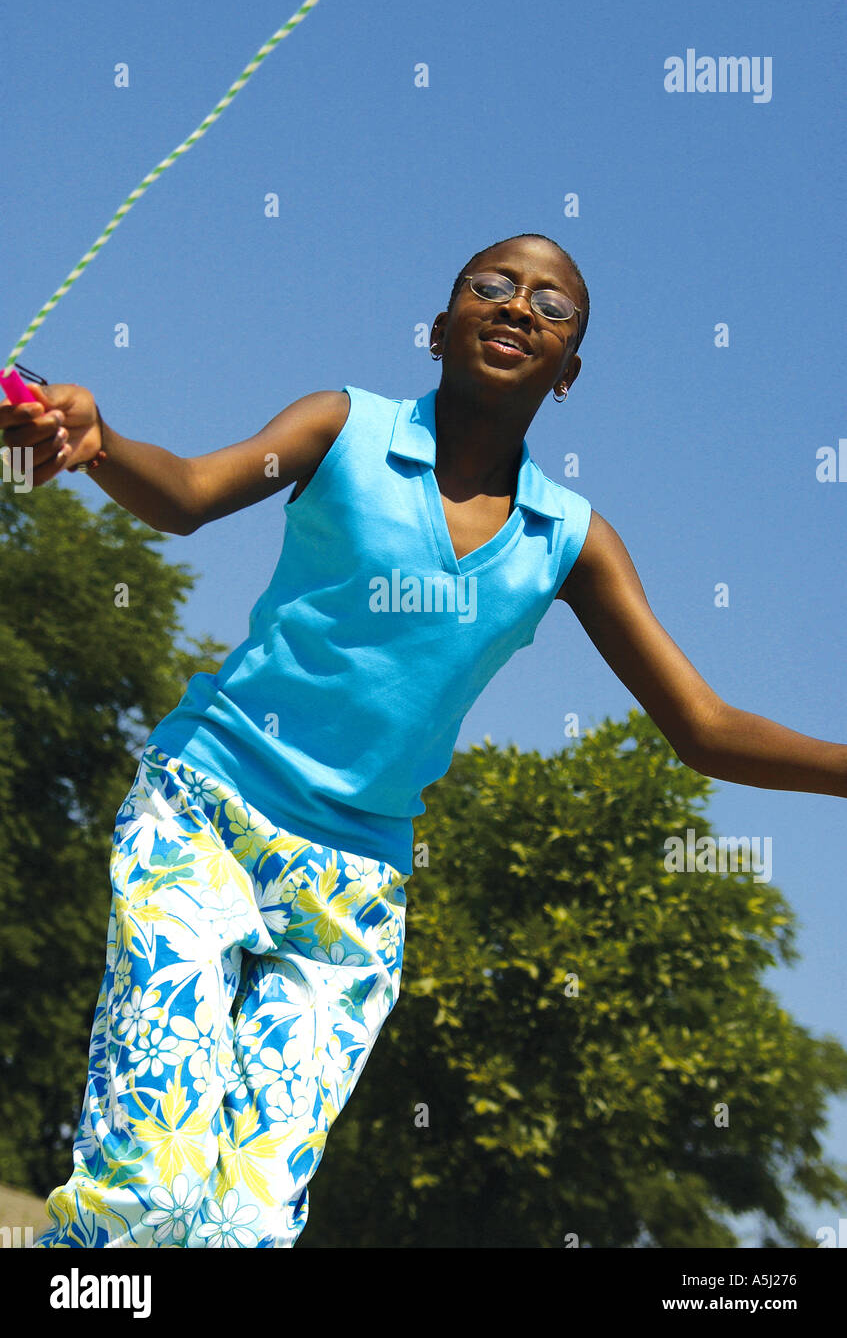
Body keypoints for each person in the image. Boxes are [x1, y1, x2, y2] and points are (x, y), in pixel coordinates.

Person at [3, 232, 845, 1248]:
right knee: (152, 1166)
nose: (519, 305)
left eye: (552, 305)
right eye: (492, 286)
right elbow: (183, 495)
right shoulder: (340, 426)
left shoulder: (568, 540)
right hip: (206, 811)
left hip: (353, 890)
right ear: (439, 330)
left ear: (568, 372)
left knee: (246, 1223)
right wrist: (96, 442)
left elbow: (703, 729)